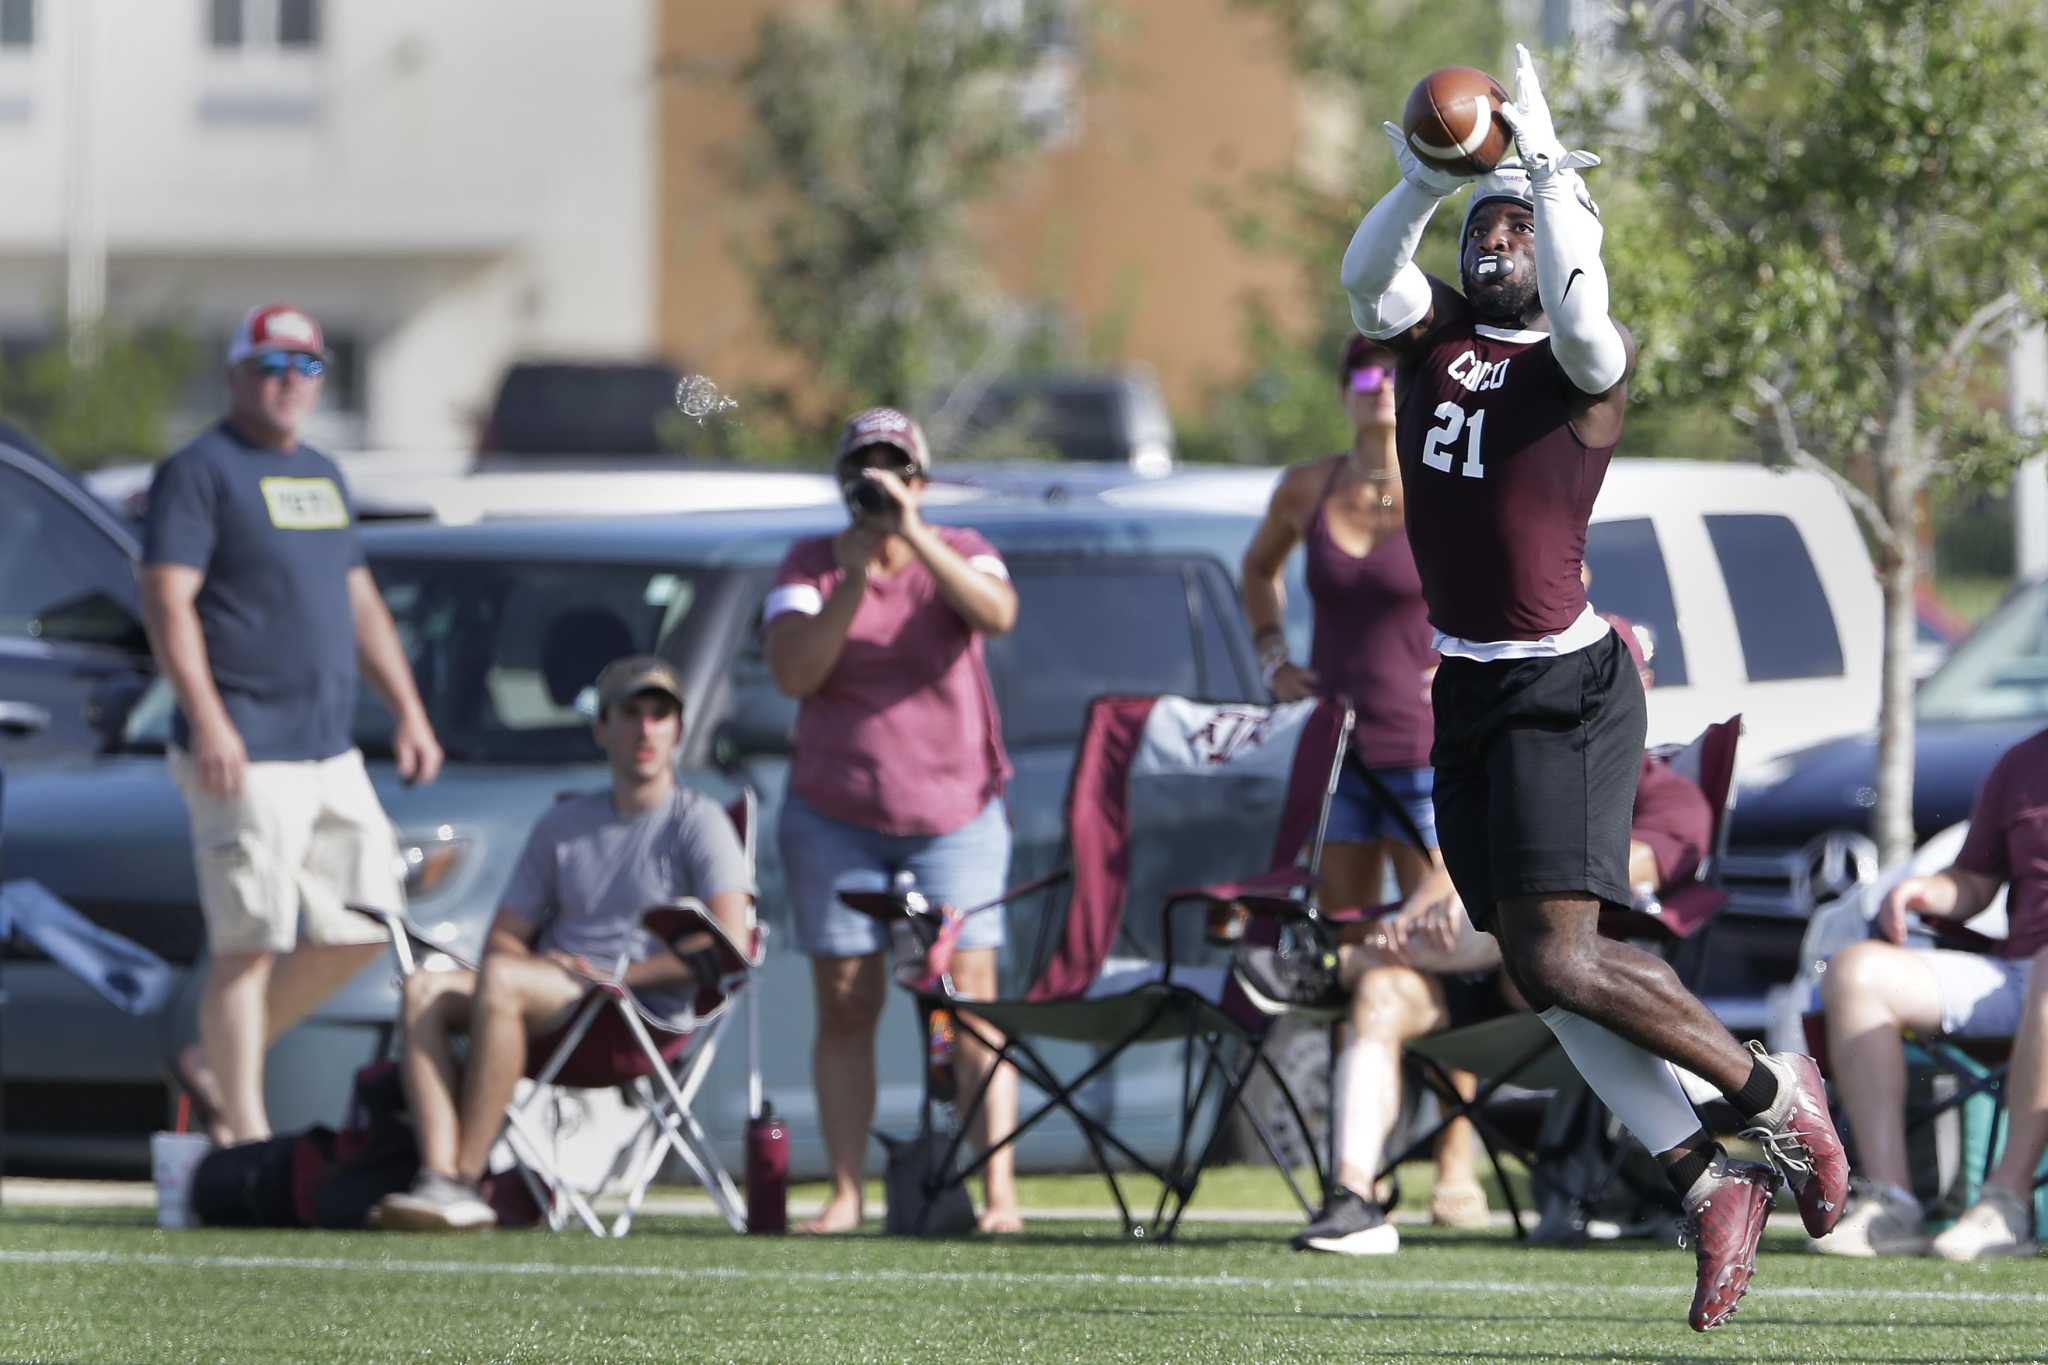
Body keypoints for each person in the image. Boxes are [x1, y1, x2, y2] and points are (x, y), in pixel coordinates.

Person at [1327, 47, 1846, 1329]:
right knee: (1534, 962)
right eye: (1484, 222)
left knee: (1559, 951)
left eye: (1519, 225)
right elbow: (1362, 279)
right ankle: (1702, 1179)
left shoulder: (1582, 363)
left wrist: (1546, 170)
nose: (1496, 237)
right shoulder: (1430, 331)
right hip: (1467, 687)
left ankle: (1775, 1101)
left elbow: (1581, 299)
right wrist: (1413, 183)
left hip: (1566, 684)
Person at [141, 303, 444, 1147]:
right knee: (250, 938)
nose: (288, 381)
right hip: (244, 745)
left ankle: (214, 1059)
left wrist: (409, 709)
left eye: (305, 367)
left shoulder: (321, 473)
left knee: (366, 919)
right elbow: (168, 599)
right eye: (271, 365)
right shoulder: (201, 469)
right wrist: (207, 720)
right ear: (237, 374)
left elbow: (359, 600)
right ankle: (243, 1133)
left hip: (327, 743)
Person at [1237, 333, 1487, 1237]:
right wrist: (1274, 657)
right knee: (1347, 953)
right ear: (1346, 390)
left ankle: (1457, 1158)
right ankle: (1363, 1169)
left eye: (1395, 374)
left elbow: (1518, 571)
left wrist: (1465, 658)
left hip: (1427, 751)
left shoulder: (1445, 475)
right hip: (1335, 750)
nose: (1381, 389)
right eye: (1365, 374)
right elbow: (1258, 571)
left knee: (1435, 936)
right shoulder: (1307, 485)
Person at [374, 656, 754, 1230]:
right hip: (551, 997)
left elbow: (733, 944)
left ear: (678, 729)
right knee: (424, 986)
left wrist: (622, 978)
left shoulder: (699, 822)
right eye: (631, 714)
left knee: (501, 983)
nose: (646, 730)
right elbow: (505, 938)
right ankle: (438, 1175)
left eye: (660, 715)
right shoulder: (565, 822)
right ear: (602, 729)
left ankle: (463, 1180)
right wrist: (542, 967)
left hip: (637, 1015)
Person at [765, 406, 1024, 1234]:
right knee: (846, 1001)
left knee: (974, 1002)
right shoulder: (808, 562)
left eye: (895, 470)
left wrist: (914, 537)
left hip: (955, 814)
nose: (878, 487)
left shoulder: (965, 546)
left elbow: (997, 614)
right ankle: (846, 1191)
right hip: (835, 815)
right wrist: (851, 581)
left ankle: (1002, 1196)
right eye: (863, 473)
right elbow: (795, 673)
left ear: (921, 480)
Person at [1819, 727, 2048, 1260]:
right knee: (1856, 973)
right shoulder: (2023, 761)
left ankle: (2006, 1201)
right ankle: (1891, 1204)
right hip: (2022, 973)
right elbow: (1975, 880)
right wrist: (1930, 891)